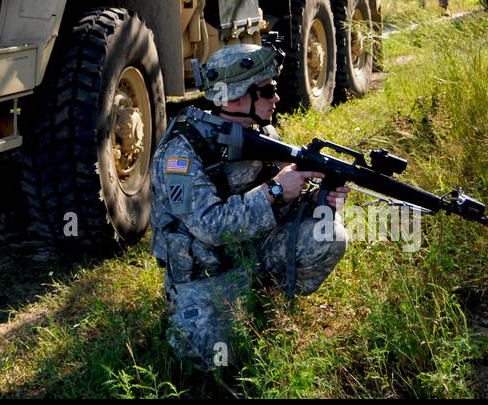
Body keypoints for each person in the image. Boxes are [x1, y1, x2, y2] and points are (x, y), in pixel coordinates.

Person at [150, 43, 350, 369]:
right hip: (207, 272)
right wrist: (273, 190)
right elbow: (210, 226)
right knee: (211, 360)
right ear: (234, 98)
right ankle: (214, 302)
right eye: (267, 90)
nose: (277, 98)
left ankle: (265, 295)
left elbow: (281, 203)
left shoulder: (260, 131)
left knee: (328, 235)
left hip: (254, 251)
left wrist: (313, 200)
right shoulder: (181, 154)